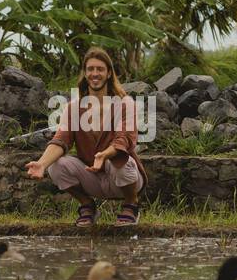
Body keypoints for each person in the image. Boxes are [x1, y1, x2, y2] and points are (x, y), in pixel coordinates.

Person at [25, 46, 146, 226]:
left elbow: (125, 138)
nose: (95, 73)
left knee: (121, 159)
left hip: (122, 177)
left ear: (109, 73)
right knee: (55, 165)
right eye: (90, 69)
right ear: (85, 73)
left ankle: (131, 205)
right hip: (92, 176)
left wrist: (105, 155)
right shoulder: (73, 107)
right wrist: (42, 164)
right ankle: (87, 205)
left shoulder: (125, 103)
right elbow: (61, 139)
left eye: (100, 69)